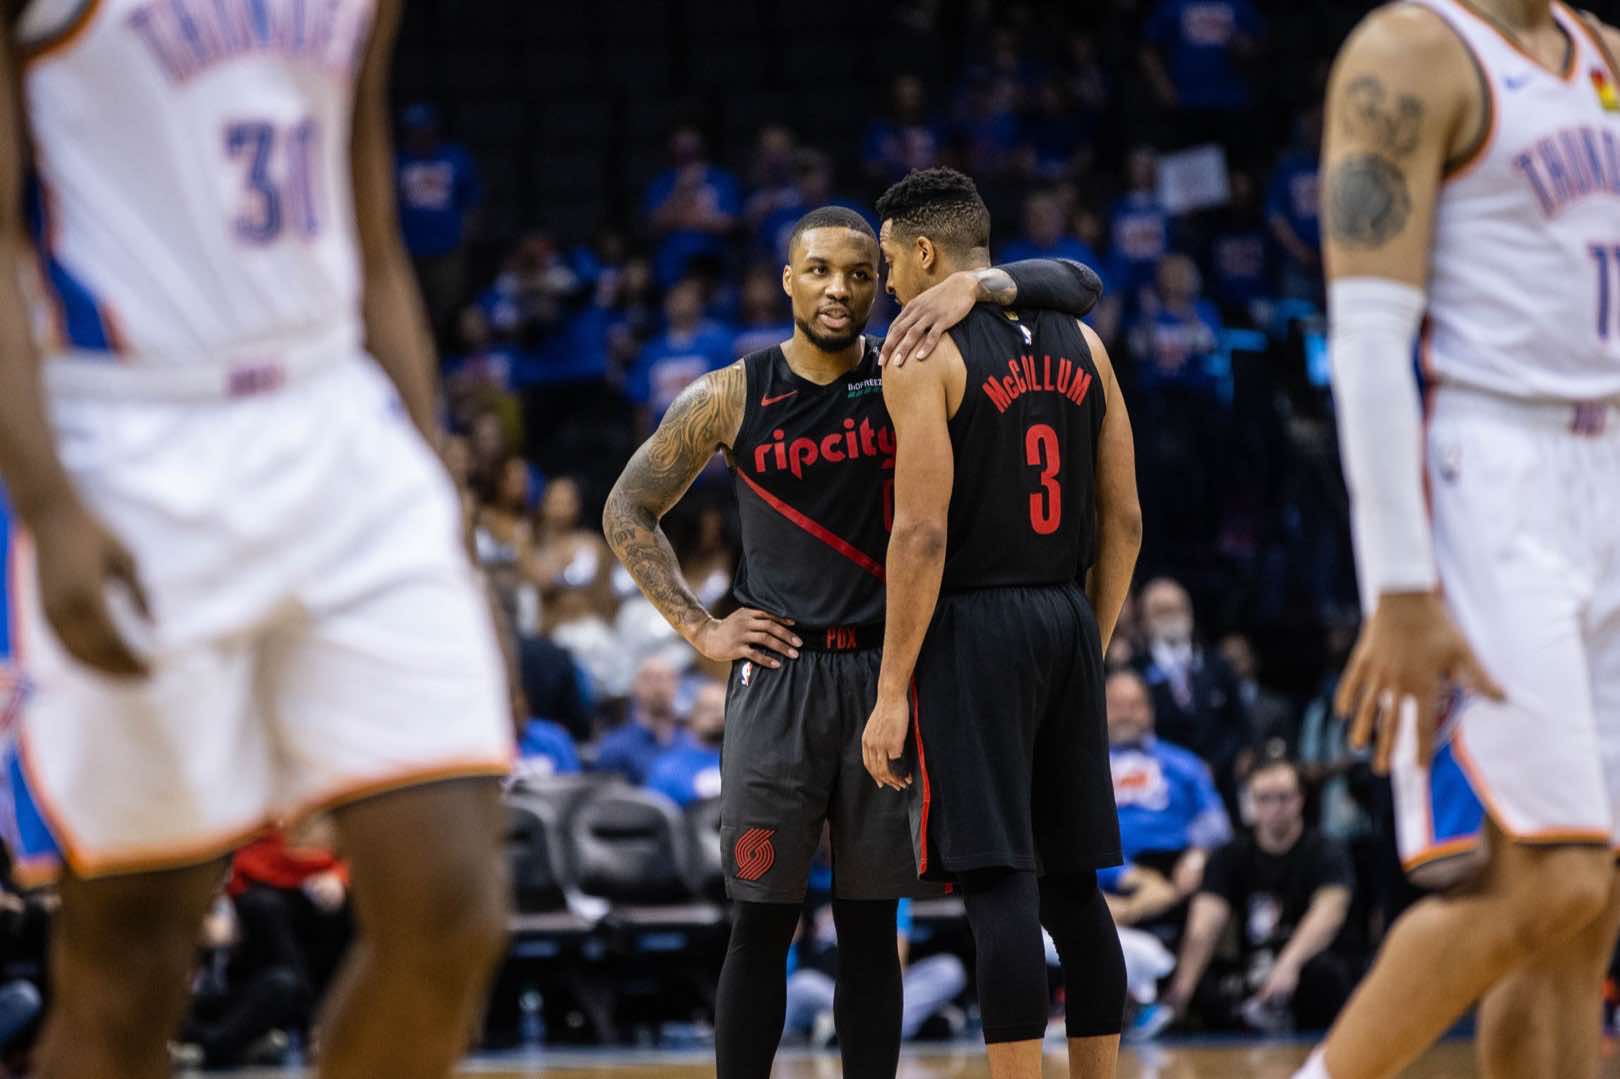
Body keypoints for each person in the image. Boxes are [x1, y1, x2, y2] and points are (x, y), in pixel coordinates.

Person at [0, 5, 515, 1078]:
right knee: (134, 955)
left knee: (452, 902)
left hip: (337, 410)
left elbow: (371, 239)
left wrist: (439, 515)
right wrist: (47, 496)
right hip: (128, 432)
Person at [603, 202, 1102, 1079]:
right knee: (762, 920)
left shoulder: (913, 364)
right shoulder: (731, 392)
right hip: (779, 679)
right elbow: (626, 507)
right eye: (821, 271)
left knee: (873, 926)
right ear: (787, 279)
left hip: (888, 676)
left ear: (884, 281)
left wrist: (976, 286)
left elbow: (1076, 284)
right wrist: (700, 628)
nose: (840, 289)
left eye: (859, 273)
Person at [1299, 2, 1620, 1077]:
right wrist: (1400, 585)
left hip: (1604, 463)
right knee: (1553, 875)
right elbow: (1370, 333)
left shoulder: (1600, 55)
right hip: (1486, 466)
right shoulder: (1412, 51)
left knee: (1591, 909)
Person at [863, 167, 1141, 1079]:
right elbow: (1126, 519)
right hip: (1065, 613)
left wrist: (892, 686)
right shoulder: (1084, 343)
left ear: (928, 251)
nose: (889, 284)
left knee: (998, 885)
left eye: (892, 260)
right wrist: (1089, 642)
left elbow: (922, 531)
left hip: (973, 628)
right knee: (1075, 888)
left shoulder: (919, 350)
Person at [1166, 759, 1354, 1033]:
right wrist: (1180, 993)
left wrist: (1288, 966)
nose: (1275, 807)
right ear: (1251, 802)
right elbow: (1204, 925)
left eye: (1283, 797)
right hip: (1251, 966)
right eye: (1264, 798)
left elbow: (1329, 912)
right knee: (1198, 982)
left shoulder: (1326, 849)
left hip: (1306, 965)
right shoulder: (1230, 854)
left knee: (1325, 975)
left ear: (1300, 799)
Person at [1107, 669, 1233, 906]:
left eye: (1134, 705)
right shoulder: (1083, 767)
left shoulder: (1184, 763)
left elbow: (1217, 823)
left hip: (1174, 875)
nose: (1125, 714)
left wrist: (1197, 856)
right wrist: (1125, 875)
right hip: (1102, 878)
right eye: (1116, 705)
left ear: (1150, 711)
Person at [395, 103, 481, 337]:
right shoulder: (397, 161)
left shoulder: (456, 158)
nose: (420, 135)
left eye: (424, 129)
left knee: (448, 305)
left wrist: (465, 238)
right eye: (414, 130)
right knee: (412, 308)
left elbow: (471, 201)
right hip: (408, 249)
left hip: (447, 248)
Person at [645, 679, 725, 808]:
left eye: (723, 709)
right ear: (692, 716)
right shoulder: (667, 769)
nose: (718, 716)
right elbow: (655, 819)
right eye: (708, 709)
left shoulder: (746, 765)